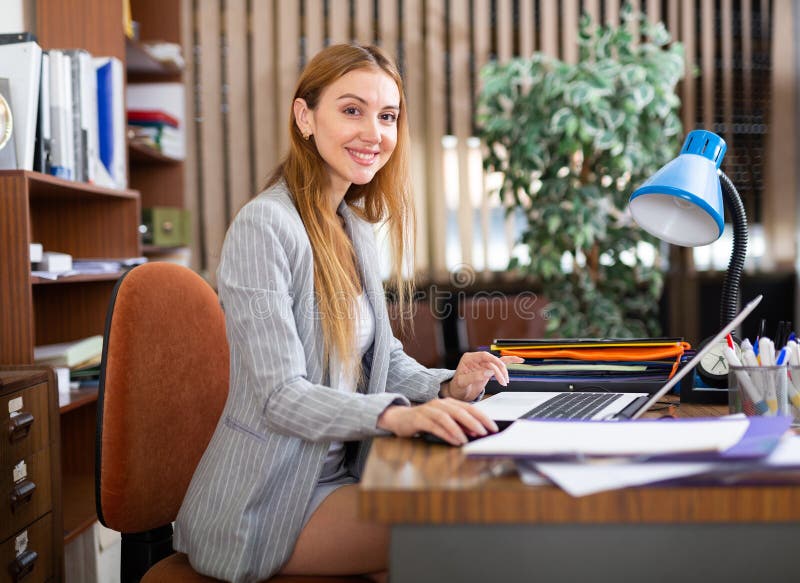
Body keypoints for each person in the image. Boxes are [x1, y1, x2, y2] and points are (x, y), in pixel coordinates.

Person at [174, 43, 522, 583]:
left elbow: (380, 359)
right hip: (269, 503)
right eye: (352, 109)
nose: (375, 132)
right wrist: (395, 416)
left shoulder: (354, 227)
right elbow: (278, 395)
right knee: (464, 531)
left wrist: (450, 385)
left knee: (491, 497)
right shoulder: (264, 226)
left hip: (343, 477)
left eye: (388, 116)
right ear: (305, 116)